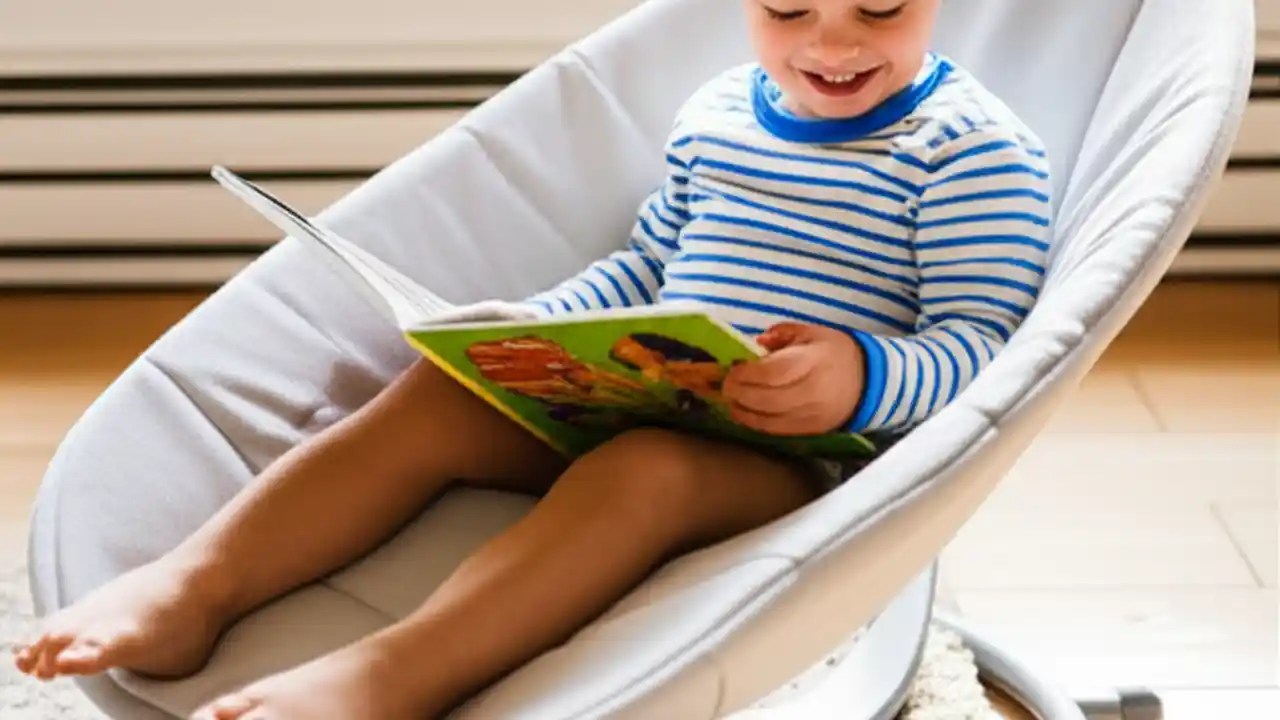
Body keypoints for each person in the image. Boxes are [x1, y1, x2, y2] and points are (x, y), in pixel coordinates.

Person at [13, 2, 1051, 717]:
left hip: (783, 457)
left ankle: (391, 679)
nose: (829, 44)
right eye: (786, 12)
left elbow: (983, 349)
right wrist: (531, 332)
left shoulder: (967, 152)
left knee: (636, 474)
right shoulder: (721, 115)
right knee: (437, 395)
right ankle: (194, 588)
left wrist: (860, 374)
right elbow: (650, 264)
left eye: (877, 11)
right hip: (644, 384)